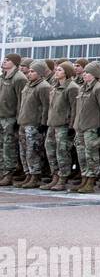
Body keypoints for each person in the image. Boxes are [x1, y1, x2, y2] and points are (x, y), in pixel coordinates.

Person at [73, 61, 100, 193]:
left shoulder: (99, 88)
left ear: (95, 74)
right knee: (81, 155)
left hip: (92, 126)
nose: (84, 75)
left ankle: (91, 180)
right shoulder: (83, 88)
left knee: (91, 154)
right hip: (81, 126)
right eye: (84, 72)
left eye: (87, 73)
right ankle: (84, 177)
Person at [43, 62, 76, 192]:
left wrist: (71, 125)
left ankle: (62, 179)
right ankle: (55, 176)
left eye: (60, 70)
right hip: (52, 123)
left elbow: (74, 108)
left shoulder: (72, 87)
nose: (56, 72)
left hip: (63, 125)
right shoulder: (55, 86)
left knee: (62, 152)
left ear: (66, 73)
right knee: (50, 150)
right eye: (56, 70)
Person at [16, 61, 50, 189]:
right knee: (23, 151)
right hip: (24, 122)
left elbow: (46, 107)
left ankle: (35, 175)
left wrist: (43, 122)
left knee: (33, 151)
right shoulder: (28, 85)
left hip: (34, 124)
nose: (29, 74)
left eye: (32, 71)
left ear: (40, 73)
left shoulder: (43, 87)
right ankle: (28, 174)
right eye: (29, 71)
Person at [0, 52, 28, 186]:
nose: (4, 62)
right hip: (2, 116)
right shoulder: (3, 77)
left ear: (14, 63)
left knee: (9, 147)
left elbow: (21, 101)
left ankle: (8, 173)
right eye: (4, 59)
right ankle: (2, 171)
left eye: (7, 60)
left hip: (10, 118)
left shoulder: (19, 78)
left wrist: (18, 119)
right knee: (1, 146)